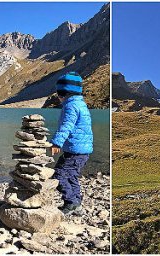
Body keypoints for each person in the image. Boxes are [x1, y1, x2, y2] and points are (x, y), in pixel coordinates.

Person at [50, 71, 93, 215]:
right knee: (72, 176)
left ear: (64, 93)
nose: (58, 97)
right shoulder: (81, 104)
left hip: (75, 151)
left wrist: (56, 143)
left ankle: (71, 203)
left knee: (58, 175)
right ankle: (77, 204)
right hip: (82, 151)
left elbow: (66, 126)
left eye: (59, 93)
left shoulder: (70, 106)